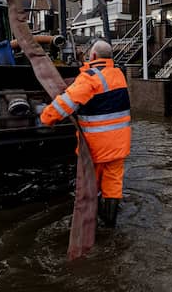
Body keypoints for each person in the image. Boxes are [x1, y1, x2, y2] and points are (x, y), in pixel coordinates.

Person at [39, 40, 131, 228]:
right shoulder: (119, 74)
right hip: (120, 144)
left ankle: (90, 224)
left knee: (90, 185)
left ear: (94, 56)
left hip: (96, 147)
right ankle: (110, 223)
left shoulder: (90, 78)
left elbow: (65, 104)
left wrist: (46, 118)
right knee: (113, 183)